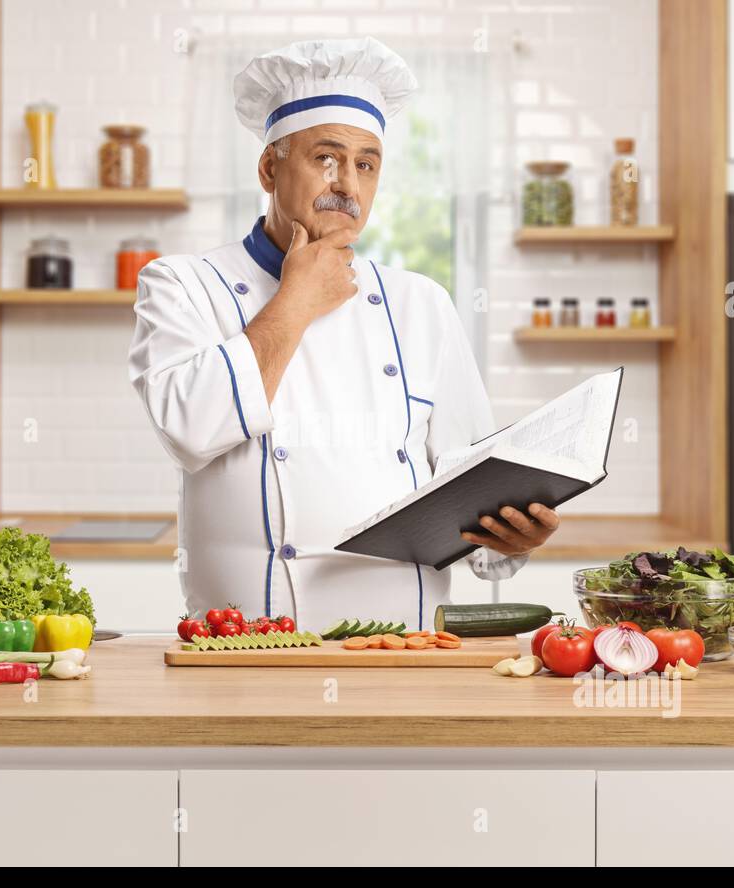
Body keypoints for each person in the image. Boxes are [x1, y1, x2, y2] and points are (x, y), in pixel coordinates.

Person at [129, 38, 558, 632]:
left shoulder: (422, 303)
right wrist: (295, 301)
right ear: (268, 167)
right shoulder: (182, 284)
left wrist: (509, 536)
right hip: (247, 650)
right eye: (325, 158)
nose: (347, 186)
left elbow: (469, 490)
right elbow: (191, 429)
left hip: (403, 650)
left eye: (366, 164)